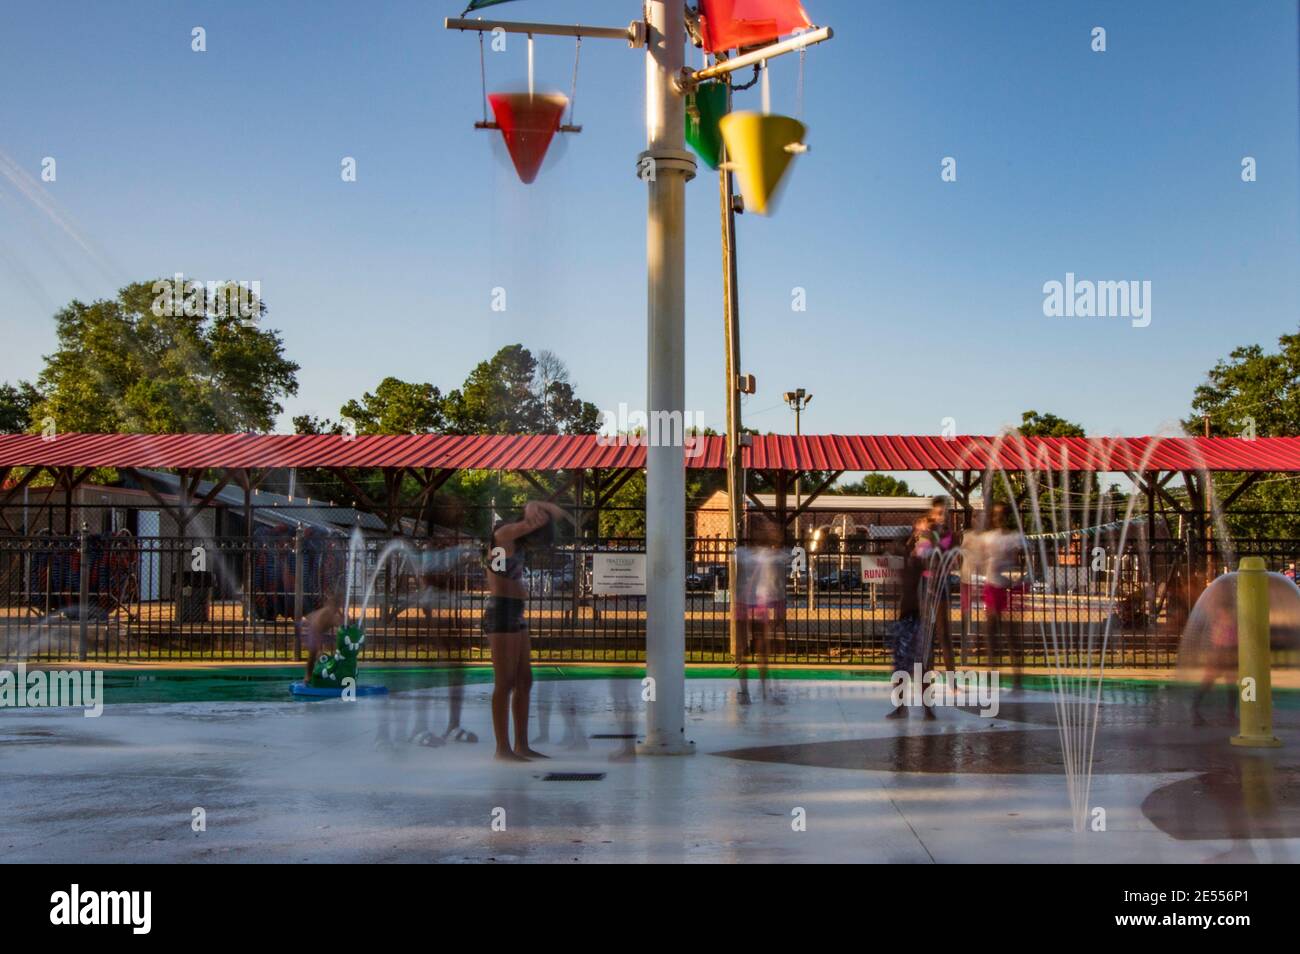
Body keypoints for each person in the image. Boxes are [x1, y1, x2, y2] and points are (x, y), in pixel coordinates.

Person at [484, 500, 575, 761]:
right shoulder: (502, 536)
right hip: (501, 613)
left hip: (515, 613)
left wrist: (540, 508)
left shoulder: (516, 544)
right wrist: (537, 508)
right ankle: (503, 748)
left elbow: (550, 512)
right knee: (505, 683)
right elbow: (538, 514)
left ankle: (522, 745)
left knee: (525, 681)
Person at [734, 514, 789, 702]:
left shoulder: (750, 554)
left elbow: (776, 581)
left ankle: (751, 690)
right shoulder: (755, 555)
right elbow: (776, 582)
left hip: (753, 603)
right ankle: (753, 689)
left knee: (755, 647)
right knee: (753, 647)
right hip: (754, 603)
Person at [887, 516, 936, 720]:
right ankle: (906, 707)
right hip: (906, 619)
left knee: (917, 666)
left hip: (915, 619)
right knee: (902, 666)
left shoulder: (920, 562)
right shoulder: (909, 562)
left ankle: (925, 709)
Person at [981, 503, 1022, 688]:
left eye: (1001, 514)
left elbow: (1019, 559)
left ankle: (1016, 677)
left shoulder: (1013, 538)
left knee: (1011, 633)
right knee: (991, 632)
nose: (998, 518)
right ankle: (993, 672)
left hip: (1008, 587)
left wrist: (1016, 575)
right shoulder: (988, 538)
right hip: (992, 586)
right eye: (995, 514)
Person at [298, 586, 345, 683]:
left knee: (328, 651)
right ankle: (308, 677)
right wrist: (319, 648)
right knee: (314, 653)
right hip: (310, 627)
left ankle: (326, 672)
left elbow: (342, 623)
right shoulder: (326, 614)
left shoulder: (334, 611)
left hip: (318, 628)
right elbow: (315, 632)